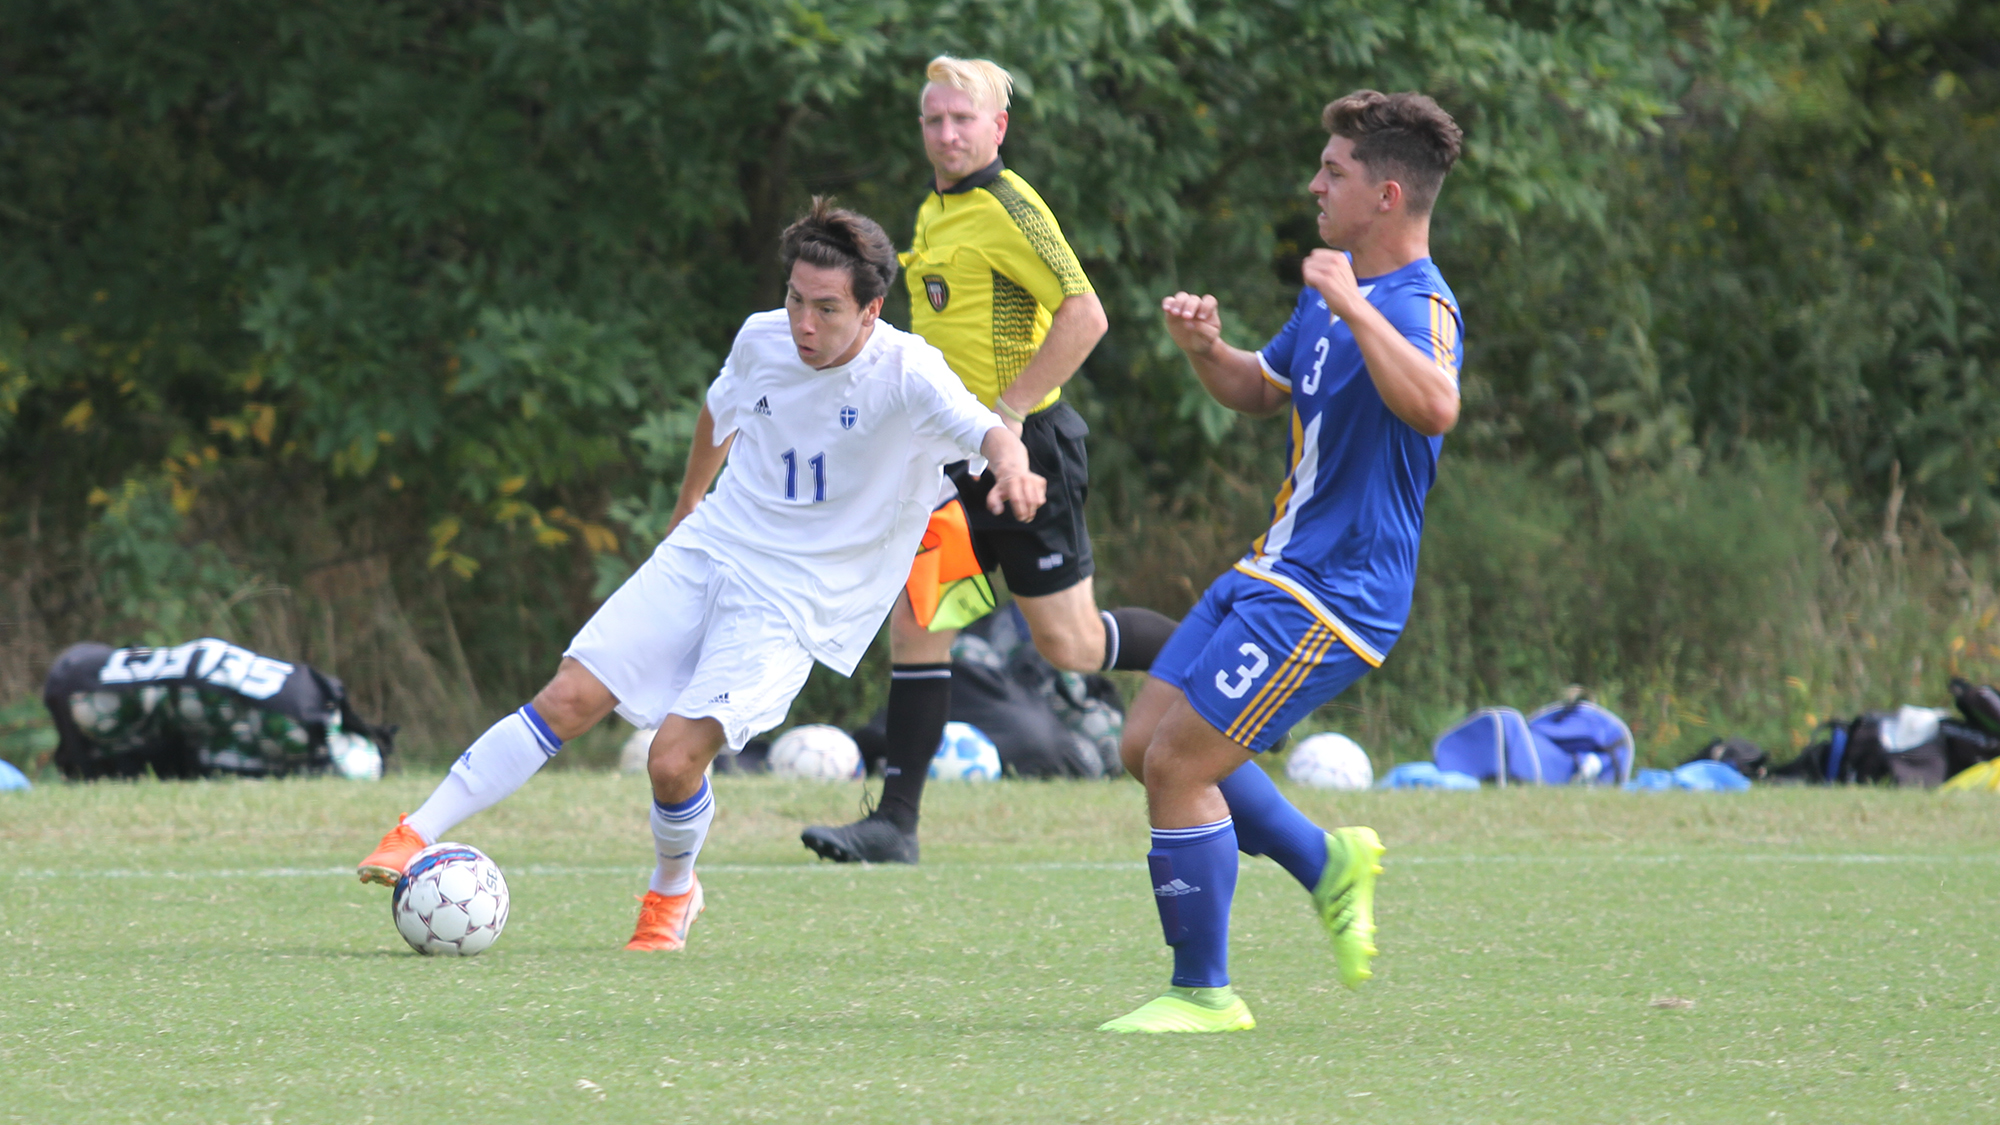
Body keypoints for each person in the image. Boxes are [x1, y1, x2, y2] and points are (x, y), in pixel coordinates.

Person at [354, 200, 1045, 950]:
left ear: (872, 310)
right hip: (714, 544)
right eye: (793, 299)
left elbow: (987, 431)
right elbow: (721, 412)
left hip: (797, 598)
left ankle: (673, 893)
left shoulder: (909, 372)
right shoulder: (762, 338)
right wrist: (689, 503)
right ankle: (412, 830)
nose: (803, 324)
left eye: (826, 309)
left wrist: (1015, 468)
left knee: (673, 759)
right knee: (569, 695)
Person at [1100, 90, 1465, 1032]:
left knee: (1182, 762)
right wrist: (1204, 349)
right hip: (1271, 568)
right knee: (1144, 745)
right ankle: (1323, 861)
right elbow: (1261, 391)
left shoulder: (1420, 303)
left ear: (1387, 194)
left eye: (1334, 170)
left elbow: (1434, 405)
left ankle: (1204, 993)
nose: (1315, 183)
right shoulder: (1329, 291)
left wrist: (1353, 302)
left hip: (1335, 594)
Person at [801, 55, 1178, 865]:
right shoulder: (934, 212)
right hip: (951, 460)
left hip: (1027, 453)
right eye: (933, 120)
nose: (946, 133)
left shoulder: (1011, 206)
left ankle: (1226, 673)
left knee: (1071, 646)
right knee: (921, 621)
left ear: (996, 128)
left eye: (962, 120)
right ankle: (894, 825)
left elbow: (1086, 314)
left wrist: (1005, 418)